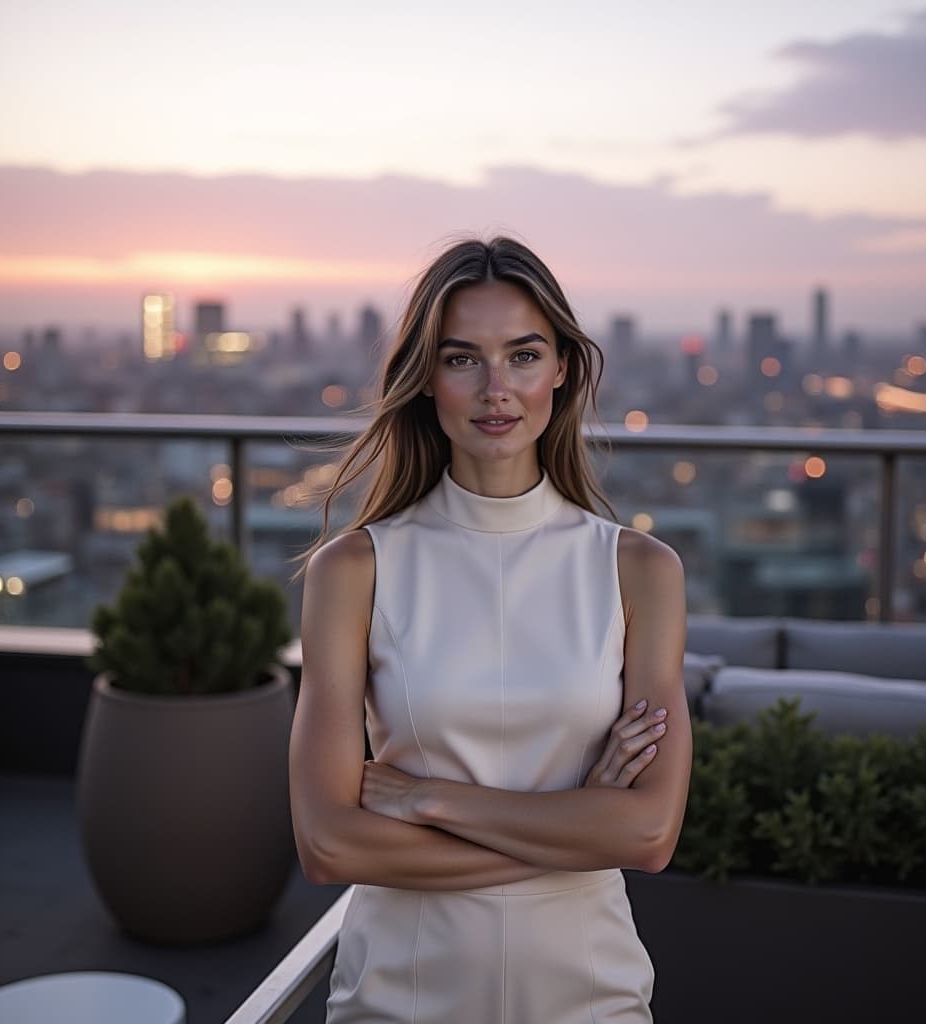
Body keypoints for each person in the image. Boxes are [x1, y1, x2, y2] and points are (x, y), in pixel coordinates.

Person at [289, 236, 692, 1023]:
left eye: (524, 355)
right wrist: (576, 821)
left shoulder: (641, 571)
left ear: (562, 369)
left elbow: (647, 833)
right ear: (426, 379)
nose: (496, 389)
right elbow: (329, 845)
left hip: (589, 993)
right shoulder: (354, 570)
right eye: (463, 358)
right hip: (399, 995)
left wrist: (428, 799)